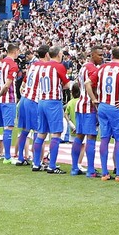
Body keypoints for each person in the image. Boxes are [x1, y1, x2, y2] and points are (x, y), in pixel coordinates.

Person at [96, 45, 119, 180]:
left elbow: (89, 82)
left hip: (103, 105)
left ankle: (104, 172)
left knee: (104, 138)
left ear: (111, 56)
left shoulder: (102, 68)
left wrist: (95, 99)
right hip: (116, 106)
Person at [33, 44, 69, 173]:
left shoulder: (42, 66)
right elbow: (67, 85)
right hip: (53, 101)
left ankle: (36, 163)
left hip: (41, 100)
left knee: (41, 133)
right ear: (59, 54)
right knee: (56, 133)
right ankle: (52, 165)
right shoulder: (59, 66)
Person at [70, 44, 103, 177]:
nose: (102, 57)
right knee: (91, 137)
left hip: (80, 104)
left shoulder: (83, 67)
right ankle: (90, 170)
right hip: (89, 106)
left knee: (79, 136)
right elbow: (91, 87)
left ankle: (74, 167)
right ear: (92, 55)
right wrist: (96, 101)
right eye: (99, 55)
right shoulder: (93, 69)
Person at [14, 43, 49, 166]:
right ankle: (36, 161)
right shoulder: (45, 67)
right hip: (34, 100)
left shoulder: (32, 66)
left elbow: (23, 83)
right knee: (38, 131)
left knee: (24, 130)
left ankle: (20, 158)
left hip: (24, 99)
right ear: (47, 54)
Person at [0, 42, 20, 163]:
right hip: (8, 99)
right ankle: (7, 157)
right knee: (8, 127)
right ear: (15, 51)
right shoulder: (12, 65)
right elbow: (7, 85)